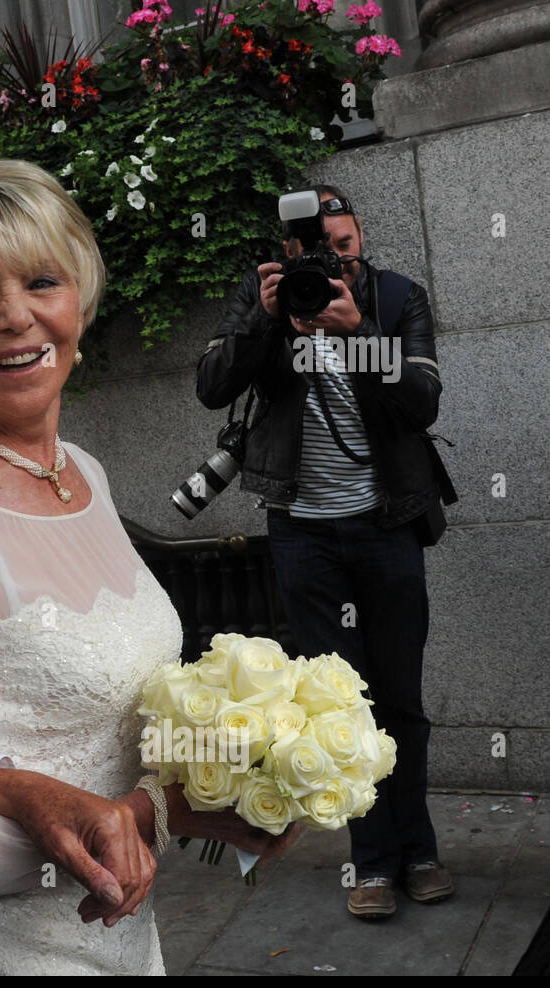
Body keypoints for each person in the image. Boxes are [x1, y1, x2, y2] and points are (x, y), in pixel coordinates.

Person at [0, 160, 295, 975]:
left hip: (124, 940)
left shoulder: (83, 471)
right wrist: (172, 812)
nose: (16, 316)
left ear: (82, 299)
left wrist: (233, 776)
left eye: (42, 280)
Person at [197, 184, 451, 920]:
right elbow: (213, 386)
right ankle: (371, 863)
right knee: (342, 703)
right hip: (303, 534)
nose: (330, 262)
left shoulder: (398, 297)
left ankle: (423, 850)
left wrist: (356, 329)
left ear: (359, 237)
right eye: (316, 251)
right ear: (288, 252)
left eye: (343, 248)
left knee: (400, 694)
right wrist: (268, 321)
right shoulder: (265, 295)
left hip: (387, 524)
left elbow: (423, 400)